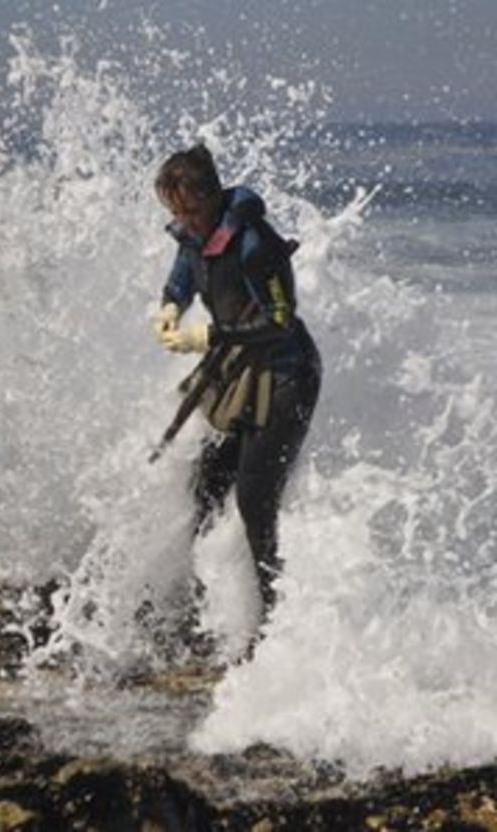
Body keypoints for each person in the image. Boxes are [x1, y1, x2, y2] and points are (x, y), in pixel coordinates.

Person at [151, 144, 321, 631]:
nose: (186, 221)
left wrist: (209, 335)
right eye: (176, 212)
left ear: (214, 197)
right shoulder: (192, 234)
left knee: (254, 502)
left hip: (287, 376)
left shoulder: (253, 242)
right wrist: (169, 308)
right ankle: (199, 609)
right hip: (237, 371)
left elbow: (282, 319)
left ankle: (272, 625)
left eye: (193, 211)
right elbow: (183, 276)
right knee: (204, 489)